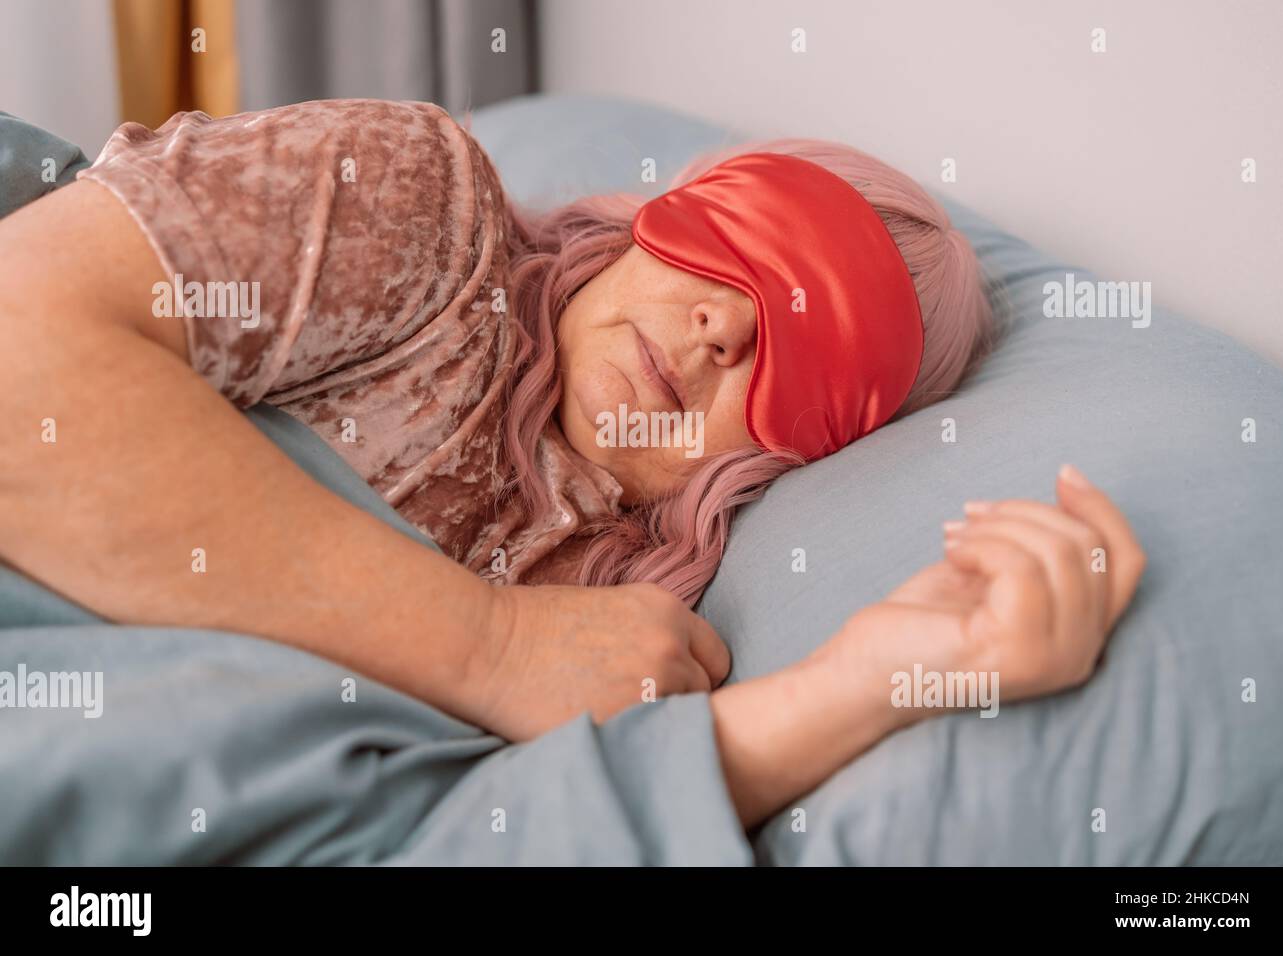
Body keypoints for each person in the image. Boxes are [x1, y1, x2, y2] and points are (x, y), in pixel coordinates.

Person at [0, 99, 1144, 828]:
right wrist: (483, 645)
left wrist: (866, 679)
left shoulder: (618, 622)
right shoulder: (420, 210)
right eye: (746, 252)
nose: (725, 332)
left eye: (805, 358)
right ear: (662, 215)